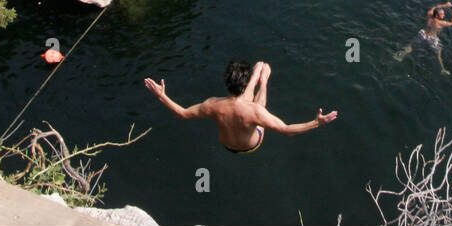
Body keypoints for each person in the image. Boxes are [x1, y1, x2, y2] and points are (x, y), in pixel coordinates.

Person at [144, 60, 337, 155]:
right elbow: (286, 130)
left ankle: (254, 78)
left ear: (226, 82)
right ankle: (263, 80)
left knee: (246, 105)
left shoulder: (212, 104)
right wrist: (316, 123)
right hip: (252, 144)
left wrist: (162, 95)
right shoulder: (254, 111)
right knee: (258, 106)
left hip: (227, 146)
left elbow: (183, 114)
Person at [393, 1, 452, 74]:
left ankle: (399, 55)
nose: (443, 16)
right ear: (437, 16)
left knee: (411, 45)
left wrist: (445, 5)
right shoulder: (441, 23)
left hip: (423, 33)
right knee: (439, 54)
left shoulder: (429, 14)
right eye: (442, 14)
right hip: (432, 38)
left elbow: (435, 7)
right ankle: (443, 69)